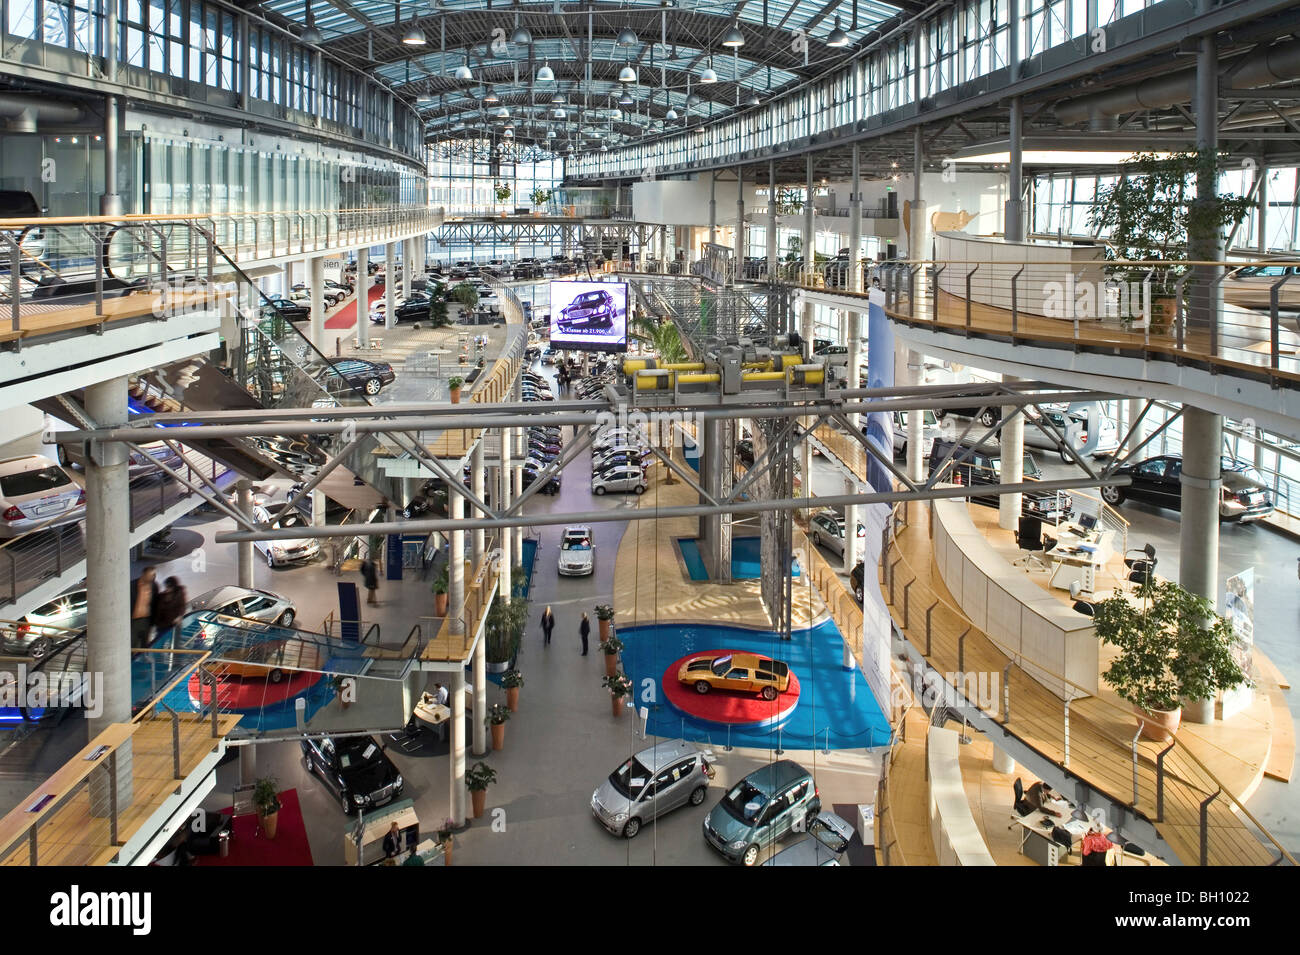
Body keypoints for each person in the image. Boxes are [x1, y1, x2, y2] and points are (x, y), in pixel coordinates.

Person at [151, 576, 187, 645]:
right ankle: (158, 655)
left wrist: (179, 616)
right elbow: (156, 609)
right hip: (162, 624)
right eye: (166, 586)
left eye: (169, 586)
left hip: (174, 625)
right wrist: (155, 621)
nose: (167, 588)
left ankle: (175, 655)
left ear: (174, 586)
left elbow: (182, 606)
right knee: (159, 643)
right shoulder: (161, 596)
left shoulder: (179, 594)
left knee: (174, 644)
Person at [130, 568, 158, 649]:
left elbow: (155, 603)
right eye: (151, 575)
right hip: (133, 620)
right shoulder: (132, 585)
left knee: (145, 645)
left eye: (153, 575)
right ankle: (130, 661)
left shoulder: (154, 586)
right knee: (132, 644)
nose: (152, 578)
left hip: (146, 621)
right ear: (143, 574)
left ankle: (142, 660)